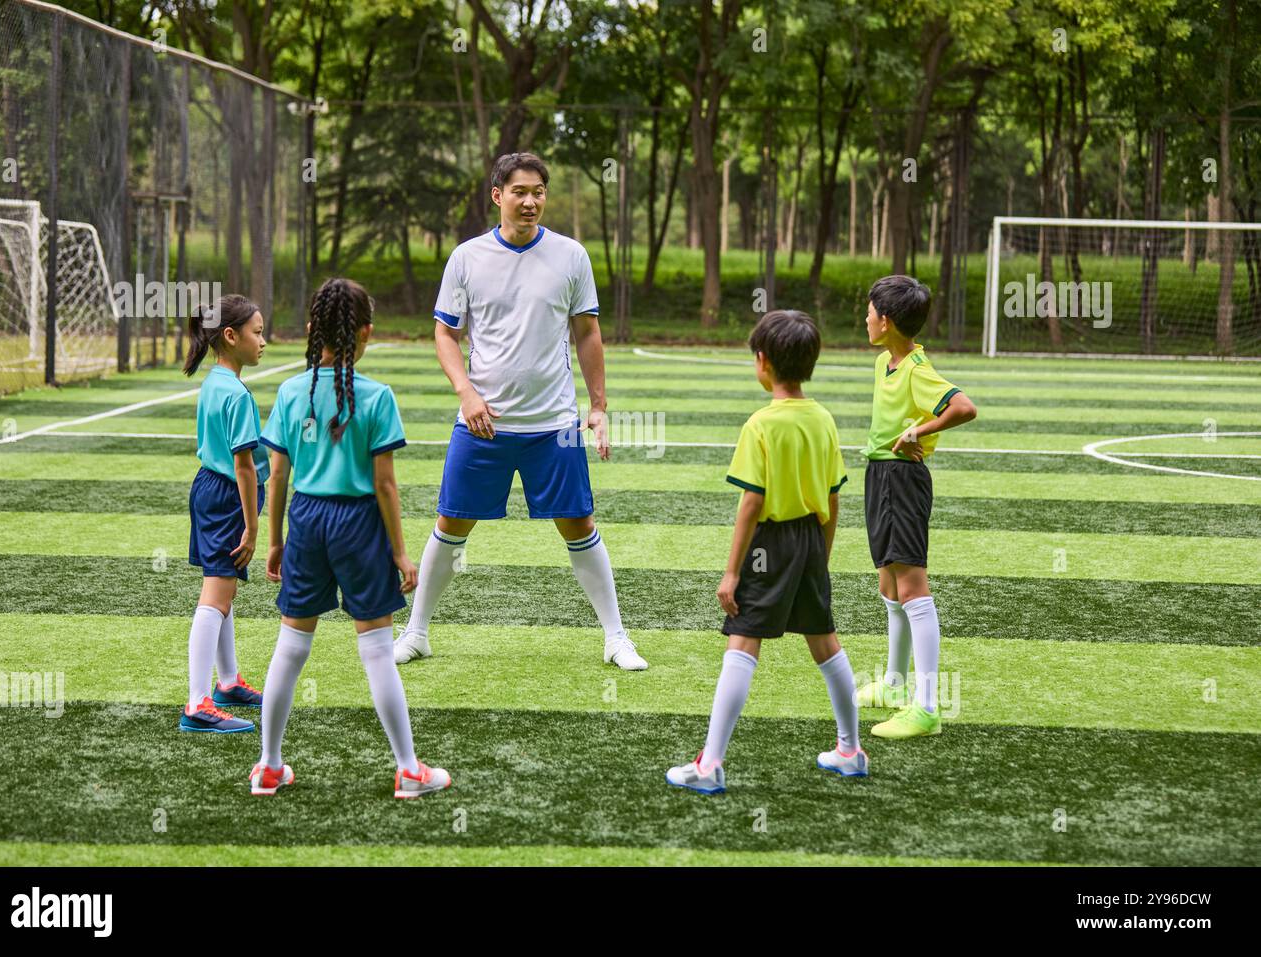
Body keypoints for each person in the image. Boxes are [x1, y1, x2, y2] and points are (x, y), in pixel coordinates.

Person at [393, 151, 647, 672]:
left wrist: (597, 408)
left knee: (578, 522)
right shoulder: (466, 257)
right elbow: (445, 331)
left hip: (554, 423)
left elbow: (587, 332)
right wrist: (466, 392)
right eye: (519, 192)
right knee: (451, 522)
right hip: (482, 424)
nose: (530, 201)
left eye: (538, 192)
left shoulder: (572, 255)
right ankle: (416, 631)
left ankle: (616, 637)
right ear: (497, 196)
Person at [251, 278, 449, 798]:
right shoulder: (378, 396)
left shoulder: (291, 392)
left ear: (313, 330)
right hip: (359, 525)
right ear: (366, 334)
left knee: (290, 648)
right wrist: (402, 553)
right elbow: (384, 485)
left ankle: (269, 765)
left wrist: (276, 542)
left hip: (308, 521)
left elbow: (277, 478)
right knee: (378, 652)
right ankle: (409, 770)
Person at [666, 310, 864, 794]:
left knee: (742, 639)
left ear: (763, 363)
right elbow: (834, 498)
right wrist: (823, 554)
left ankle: (710, 765)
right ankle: (850, 751)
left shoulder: (760, 425)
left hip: (770, 546)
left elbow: (752, 503)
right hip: (812, 539)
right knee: (824, 641)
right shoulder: (823, 418)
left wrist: (731, 572)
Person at [852, 275, 978, 739]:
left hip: (902, 481)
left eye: (869, 312)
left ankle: (926, 708)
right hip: (881, 475)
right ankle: (894, 683)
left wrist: (918, 433)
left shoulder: (916, 368)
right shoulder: (886, 360)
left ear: (885, 322)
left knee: (911, 585)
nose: (865, 318)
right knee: (888, 580)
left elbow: (964, 407)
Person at [179, 295, 268, 734]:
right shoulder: (237, 394)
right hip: (228, 497)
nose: (264, 341)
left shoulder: (215, 381)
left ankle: (228, 682)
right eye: (257, 332)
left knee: (223, 588)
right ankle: (198, 703)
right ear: (230, 337)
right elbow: (244, 467)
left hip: (208, 490)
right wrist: (252, 528)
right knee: (215, 596)